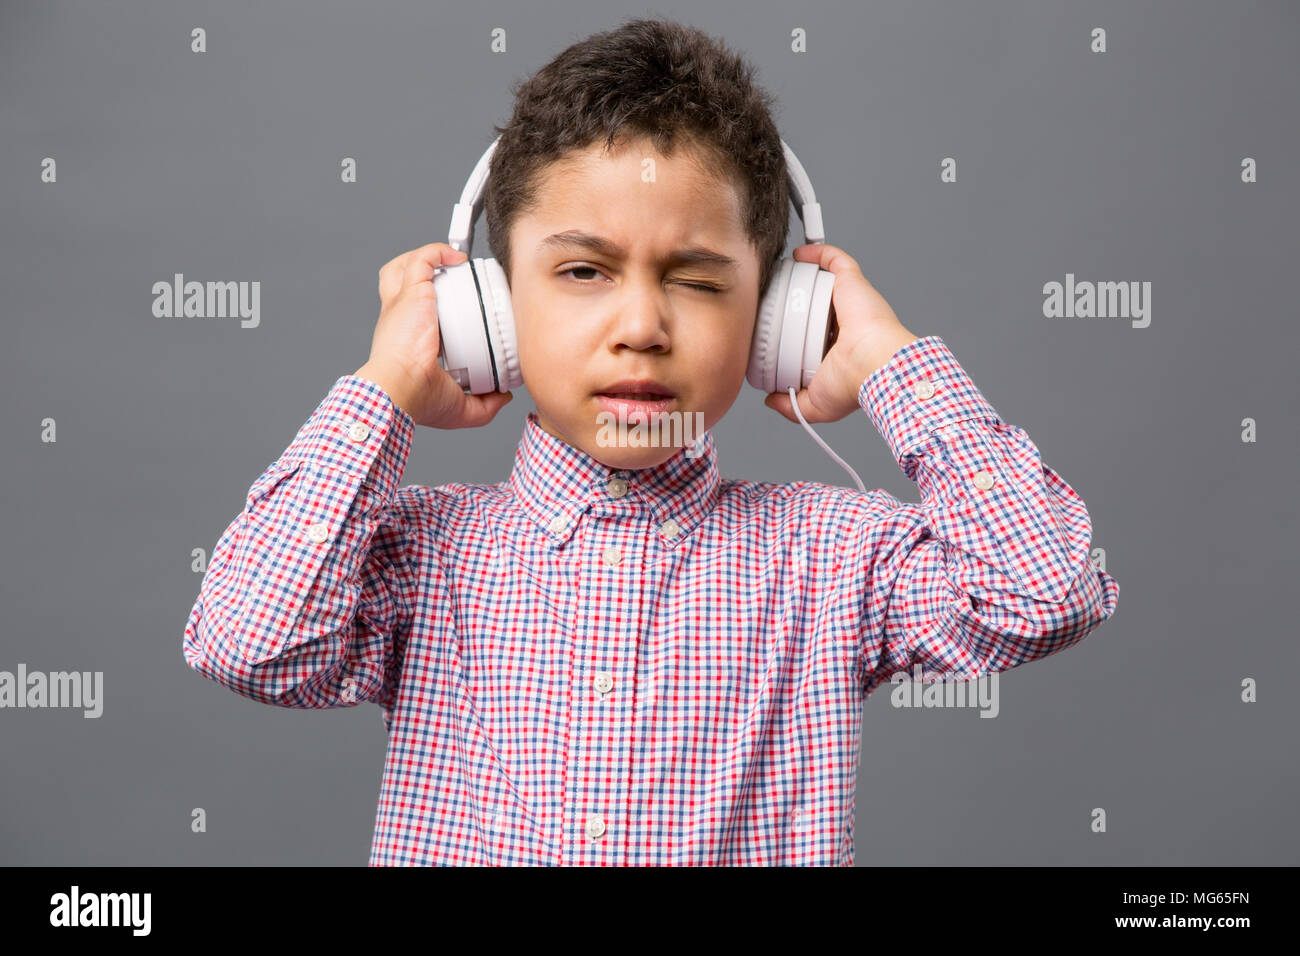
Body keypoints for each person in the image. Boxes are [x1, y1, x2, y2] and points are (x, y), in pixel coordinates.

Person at [183, 17, 1119, 866]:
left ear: (773, 321)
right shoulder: (424, 557)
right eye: (584, 270)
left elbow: (1041, 592)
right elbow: (250, 641)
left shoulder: (835, 561)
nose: (642, 325)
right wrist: (382, 391)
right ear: (491, 309)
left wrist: (886, 358)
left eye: (700, 282)